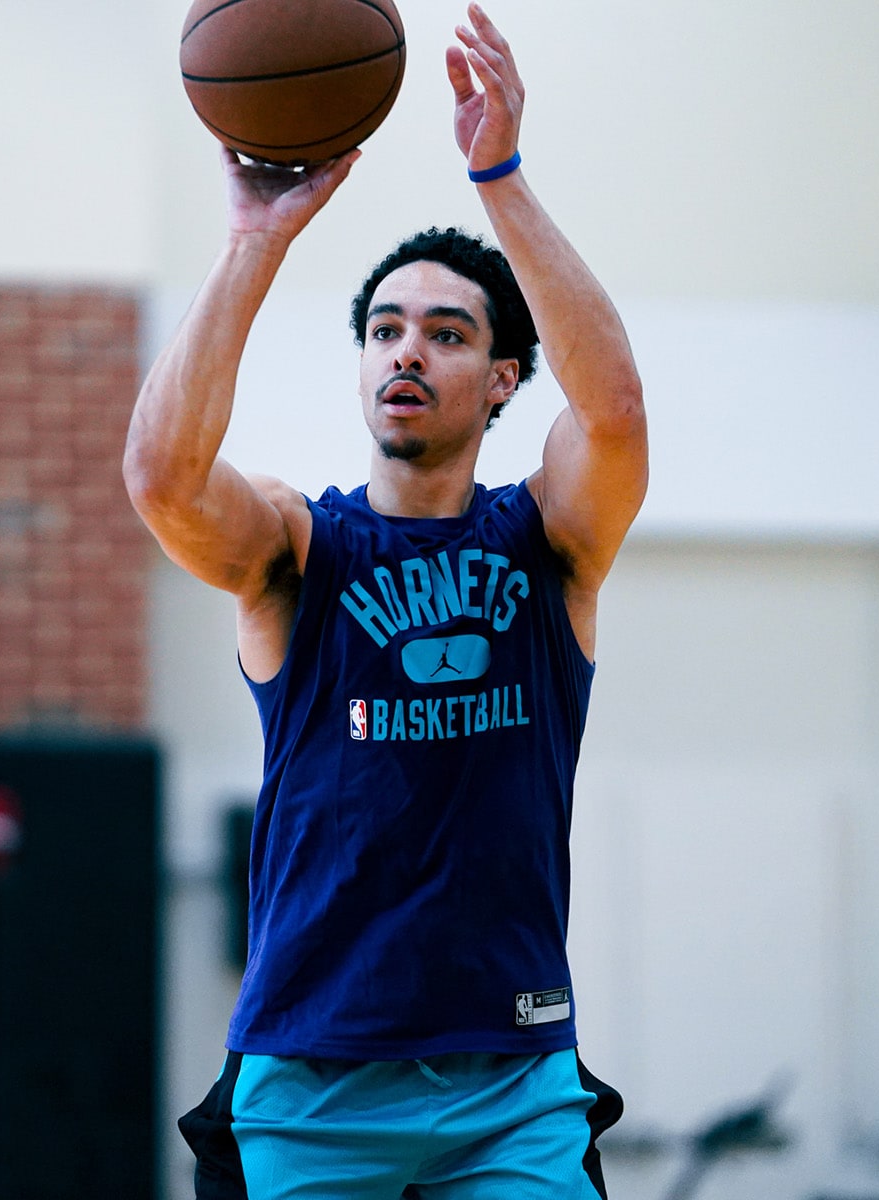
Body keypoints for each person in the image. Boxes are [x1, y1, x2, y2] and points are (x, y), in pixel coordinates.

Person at [124, 5, 648, 1196]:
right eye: (384, 328)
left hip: (511, 1081)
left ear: (502, 377)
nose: (406, 349)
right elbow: (159, 479)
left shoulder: (547, 541)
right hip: (312, 1073)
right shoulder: (301, 547)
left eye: (447, 332)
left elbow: (615, 417)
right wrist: (255, 238)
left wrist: (500, 177)